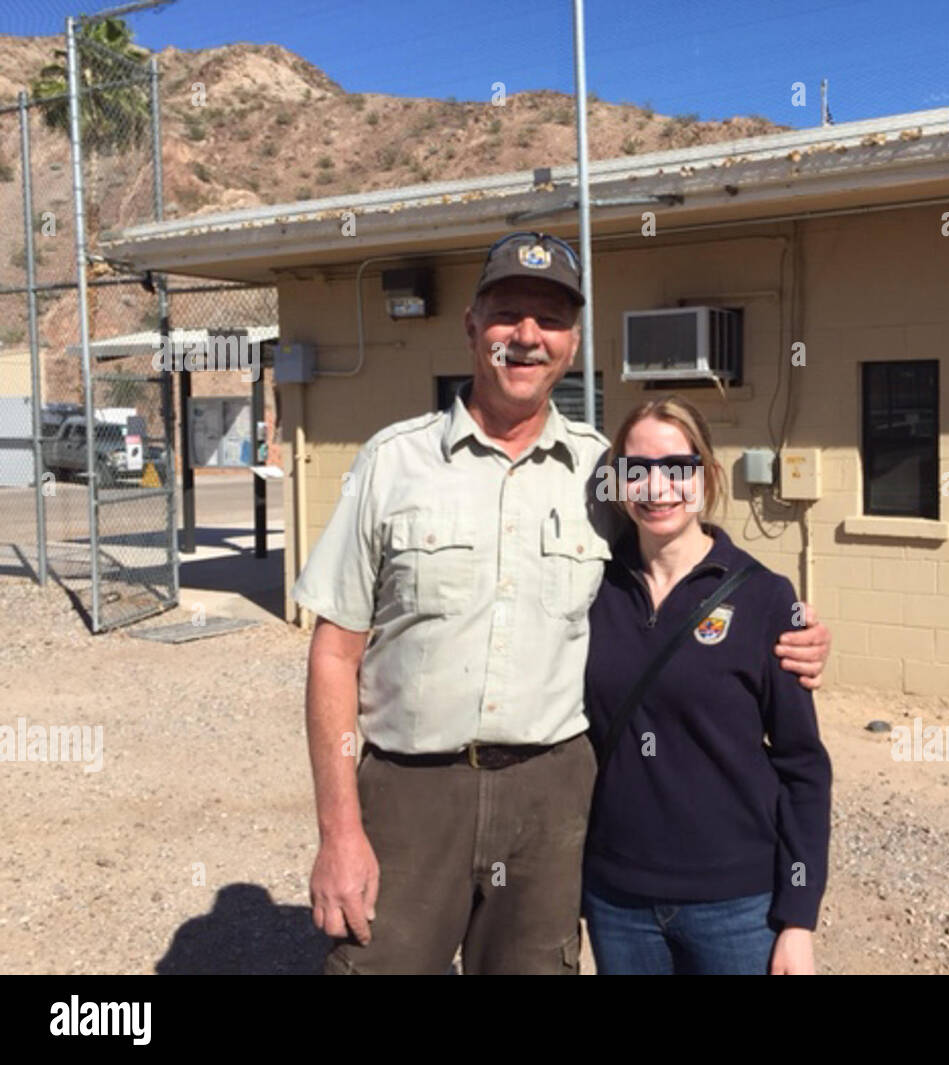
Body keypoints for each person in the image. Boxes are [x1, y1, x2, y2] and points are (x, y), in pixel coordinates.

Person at [291, 231, 832, 974]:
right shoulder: (392, 462)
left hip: (551, 802)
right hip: (410, 794)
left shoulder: (600, 474)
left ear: (573, 342)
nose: (527, 336)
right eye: (508, 313)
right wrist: (339, 829)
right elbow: (334, 650)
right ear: (472, 327)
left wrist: (786, 628)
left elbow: (683, 553)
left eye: (549, 320)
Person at [581, 396, 832, 975]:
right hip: (618, 901)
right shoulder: (593, 591)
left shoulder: (766, 598)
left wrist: (798, 919)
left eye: (677, 466)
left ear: (707, 475)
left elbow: (802, 766)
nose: (657, 486)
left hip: (737, 905)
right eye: (636, 469)